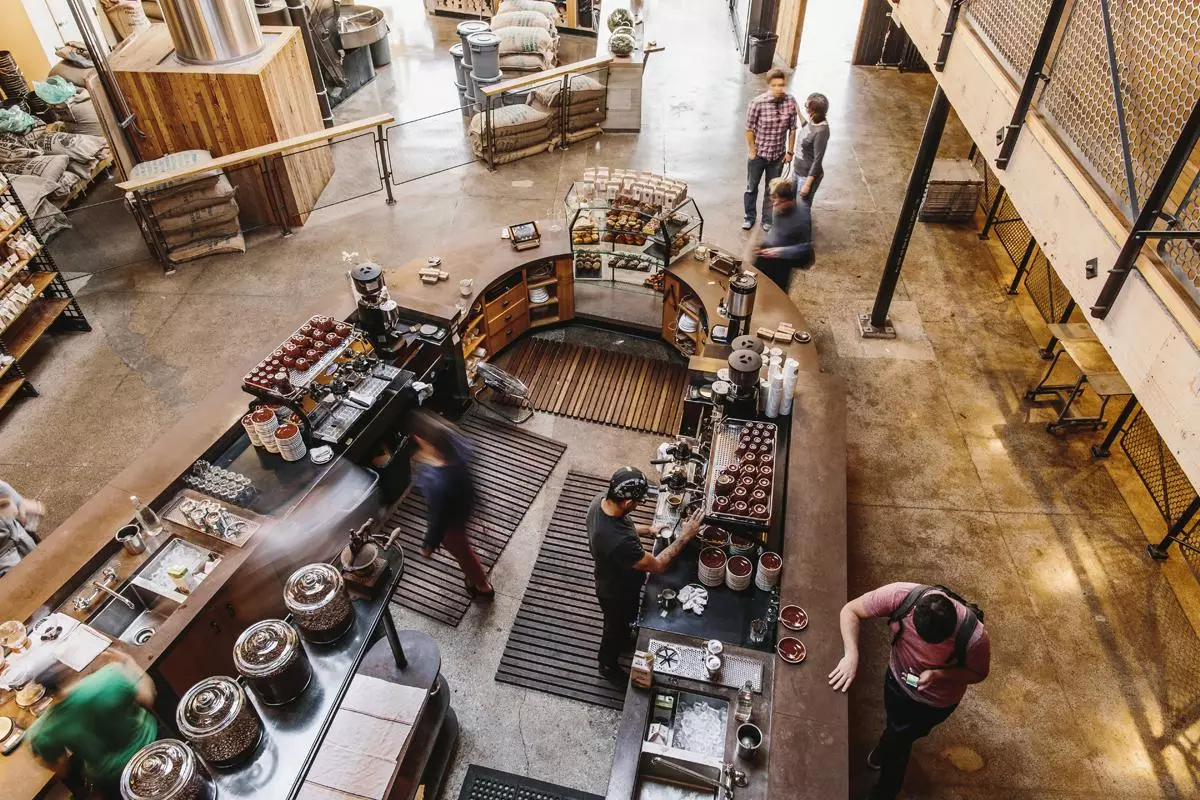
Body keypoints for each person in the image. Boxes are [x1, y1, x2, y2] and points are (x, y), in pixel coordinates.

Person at [829, 583, 990, 800]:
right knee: (896, 728)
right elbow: (850, 610)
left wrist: (939, 675)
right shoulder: (901, 596)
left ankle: (886, 791)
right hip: (896, 682)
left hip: (934, 703)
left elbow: (979, 673)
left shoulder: (974, 637)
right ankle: (886, 747)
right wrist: (851, 655)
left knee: (901, 742)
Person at [588, 467, 701, 684]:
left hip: (614, 577)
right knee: (614, 627)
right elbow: (658, 565)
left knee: (625, 620)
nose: (639, 505)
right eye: (638, 502)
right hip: (616, 591)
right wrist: (685, 536)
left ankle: (624, 636)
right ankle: (607, 664)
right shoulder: (618, 542)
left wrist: (649, 530)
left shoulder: (601, 501)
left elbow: (624, 526)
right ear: (627, 503)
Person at [28, 650, 158, 799]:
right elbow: (148, 697)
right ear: (67, 670)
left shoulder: (43, 731)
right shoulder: (111, 676)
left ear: (44, 692)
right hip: (152, 746)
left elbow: (62, 769)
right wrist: (129, 662)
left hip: (115, 780)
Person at [408, 411, 494, 600]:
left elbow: (438, 516)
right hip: (465, 505)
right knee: (463, 548)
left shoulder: (437, 480)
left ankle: (482, 586)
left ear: (426, 441)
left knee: (463, 553)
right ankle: (479, 581)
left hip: (452, 521)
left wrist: (429, 544)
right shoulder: (457, 450)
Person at [743, 68, 799, 232]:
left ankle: (767, 220)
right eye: (774, 85)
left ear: (784, 84)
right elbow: (748, 129)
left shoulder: (790, 102)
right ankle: (749, 217)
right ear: (769, 85)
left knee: (772, 190)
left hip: (777, 157)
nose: (778, 88)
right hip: (759, 156)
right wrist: (753, 152)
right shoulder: (757, 103)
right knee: (751, 188)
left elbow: (793, 129)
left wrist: (790, 152)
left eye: (781, 85)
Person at [754, 178, 813, 288]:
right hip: (771, 249)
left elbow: (806, 248)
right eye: (774, 199)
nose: (774, 204)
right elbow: (776, 229)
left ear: (790, 201)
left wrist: (779, 251)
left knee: (776, 288)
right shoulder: (778, 206)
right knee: (755, 278)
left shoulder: (802, 216)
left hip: (786, 257)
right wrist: (767, 245)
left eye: (779, 201)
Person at [0, 479, 44, 578]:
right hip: (2, 555)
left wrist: (19, 501)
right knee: (18, 582)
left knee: (40, 562)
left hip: (15, 530)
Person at [794, 93, 830, 204]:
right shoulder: (815, 121)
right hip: (798, 171)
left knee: (802, 209)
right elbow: (808, 129)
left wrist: (807, 184)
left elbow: (817, 160)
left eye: (806, 106)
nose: (805, 107)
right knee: (795, 205)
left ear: (812, 111)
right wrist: (798, 112)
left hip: (806, 176)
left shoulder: (821, 132)